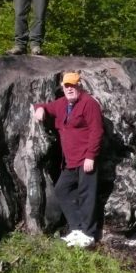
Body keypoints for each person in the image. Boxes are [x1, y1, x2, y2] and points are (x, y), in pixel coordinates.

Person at [33, 72, 104, 247]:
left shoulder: (89, 104)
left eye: (73, 85)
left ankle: (88, 235)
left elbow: (97, 132)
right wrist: (40, 109)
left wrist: (91, 156)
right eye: (66, 86)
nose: (69, 89)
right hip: (70, 160)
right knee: (62, 190)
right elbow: (45, 106)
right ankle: (77, 228)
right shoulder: (62, 103)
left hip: (86, 159)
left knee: (87, 195)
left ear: (80, 86)